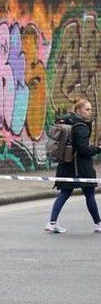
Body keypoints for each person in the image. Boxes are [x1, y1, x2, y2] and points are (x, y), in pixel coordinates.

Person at [44, 98, 101, 233]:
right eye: (87, 109)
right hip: (80, 167)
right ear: (78, 110)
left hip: (66, 165)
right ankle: (98, 223)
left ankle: (52, 222)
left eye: (91, 109)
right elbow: (84, 150)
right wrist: (98, 148)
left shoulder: (68, 122)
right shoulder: (81, 127)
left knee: (65, 192)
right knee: (89, 193)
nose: (90, 112)